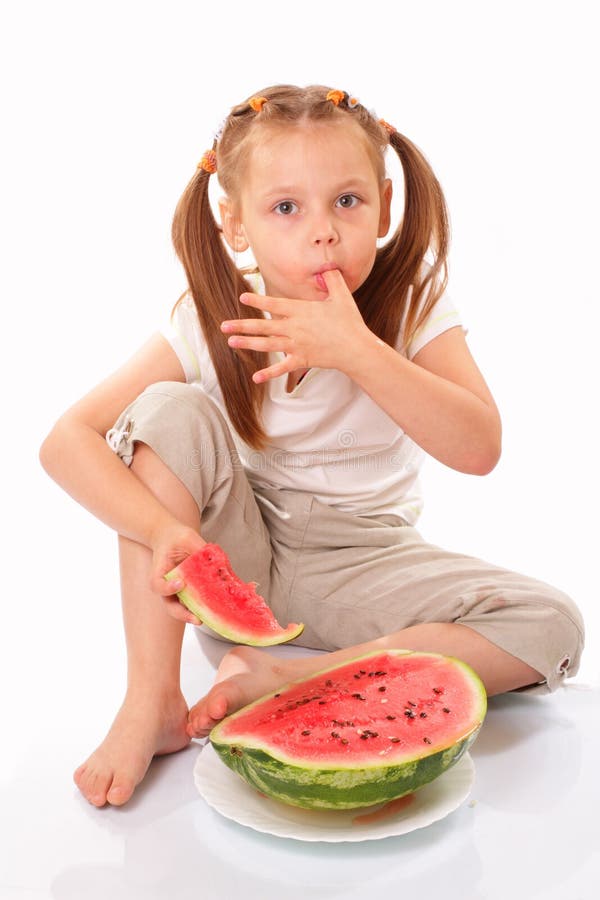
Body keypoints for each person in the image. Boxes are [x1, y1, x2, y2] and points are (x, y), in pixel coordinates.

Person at [39, 84, 584, 808]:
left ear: (385, 207)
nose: (322, 231)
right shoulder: (214, 317)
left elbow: (480, 447)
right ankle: (152, 700)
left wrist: (357, 349)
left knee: (554, 622)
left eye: (348, 202)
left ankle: (286, 676)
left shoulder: (412, 299)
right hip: (242, 545)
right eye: (286, 207)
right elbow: (64, 442)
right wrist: (167, 531)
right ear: (235, 223)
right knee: (164, 410)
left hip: (368, 561)